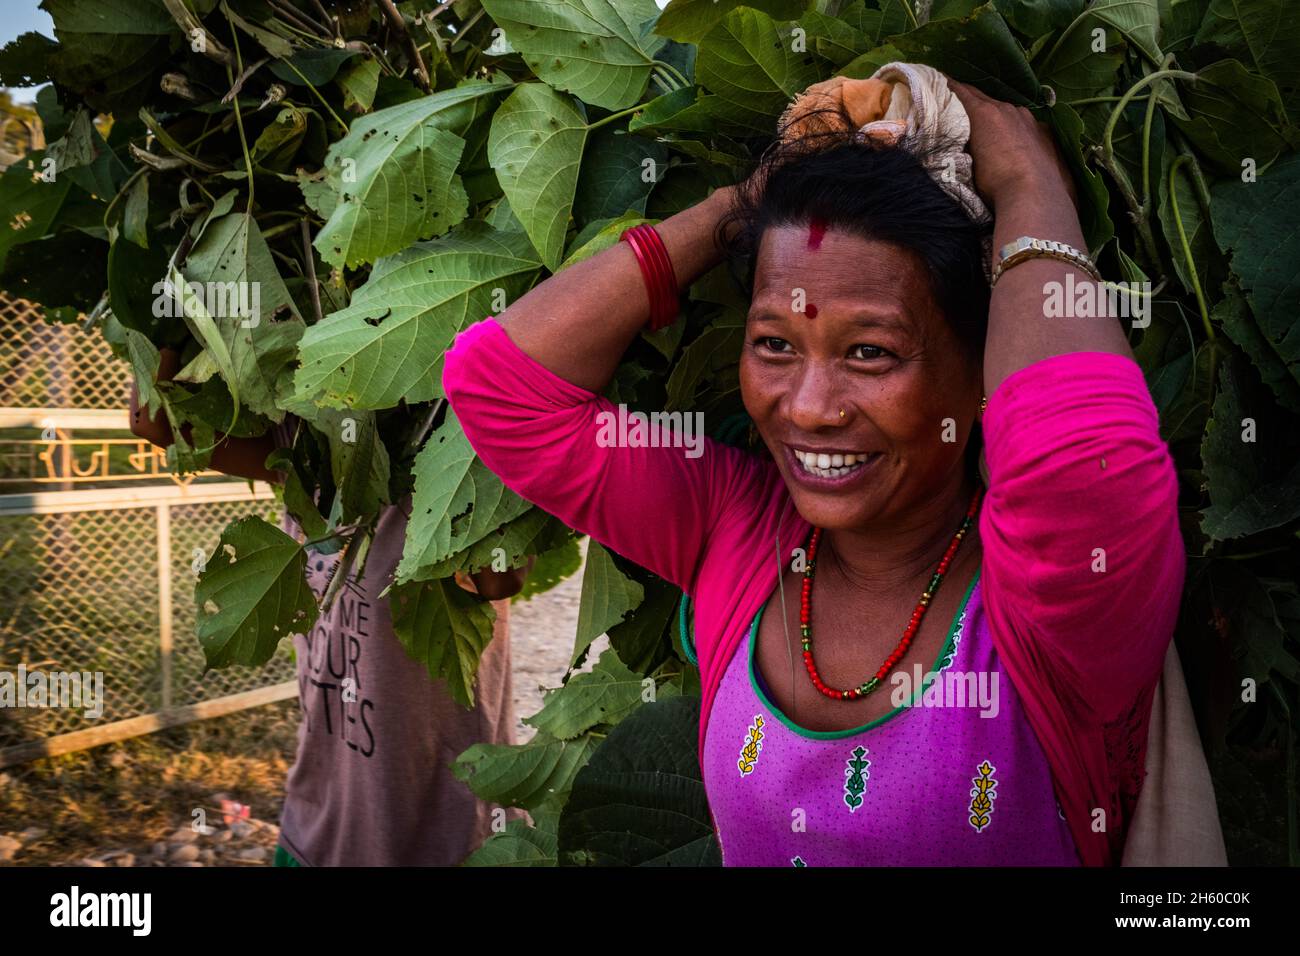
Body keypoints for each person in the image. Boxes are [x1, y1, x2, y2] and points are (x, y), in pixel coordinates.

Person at [440, 77, 1185, 866]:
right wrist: (745, 202)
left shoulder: (1056, 604)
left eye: (871, 351)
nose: (808, 408)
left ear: (982, 372)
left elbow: (1078, 462)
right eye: (774, 343)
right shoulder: (739, 527)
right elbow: (502, 387)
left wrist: (1030, 187)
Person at [130, 351, 527, 865]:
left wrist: (468, 406)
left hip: (444, 835)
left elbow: (501, 576)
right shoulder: (304, 454)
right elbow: (156, 421)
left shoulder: (451, 457)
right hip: (317, 824)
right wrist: (166, 281)